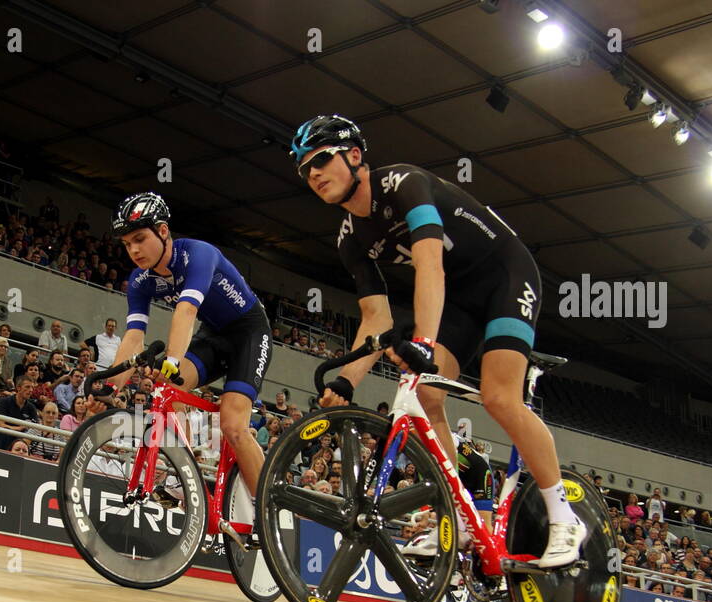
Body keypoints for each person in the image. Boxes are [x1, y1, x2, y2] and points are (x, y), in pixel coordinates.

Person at [292, 114, 582, 567]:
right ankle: (460, 521)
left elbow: (431, 266)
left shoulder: (405, 184)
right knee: (426, 394)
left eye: (322, 159)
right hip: (462, 298)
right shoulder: (351, 238)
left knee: (499, 398)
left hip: (504, 274)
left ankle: (564, 516)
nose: (313, 173)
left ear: (354, 157)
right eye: (304, 168)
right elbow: (375, 315)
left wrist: (424, 342)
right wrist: (347, 379)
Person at [101, 192, 272, 523]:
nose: (133, 250)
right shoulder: (139, 280)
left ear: (163, 231)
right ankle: (187, 470)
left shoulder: (198, 254)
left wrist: (173, 360)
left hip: (249, 333)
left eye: (139, 239)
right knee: (168, 385)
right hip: (213, 336)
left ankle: (268, 508)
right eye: (126, 244)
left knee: (233, 425)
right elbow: (134, 336)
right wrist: (109, 386)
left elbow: (186, 311)